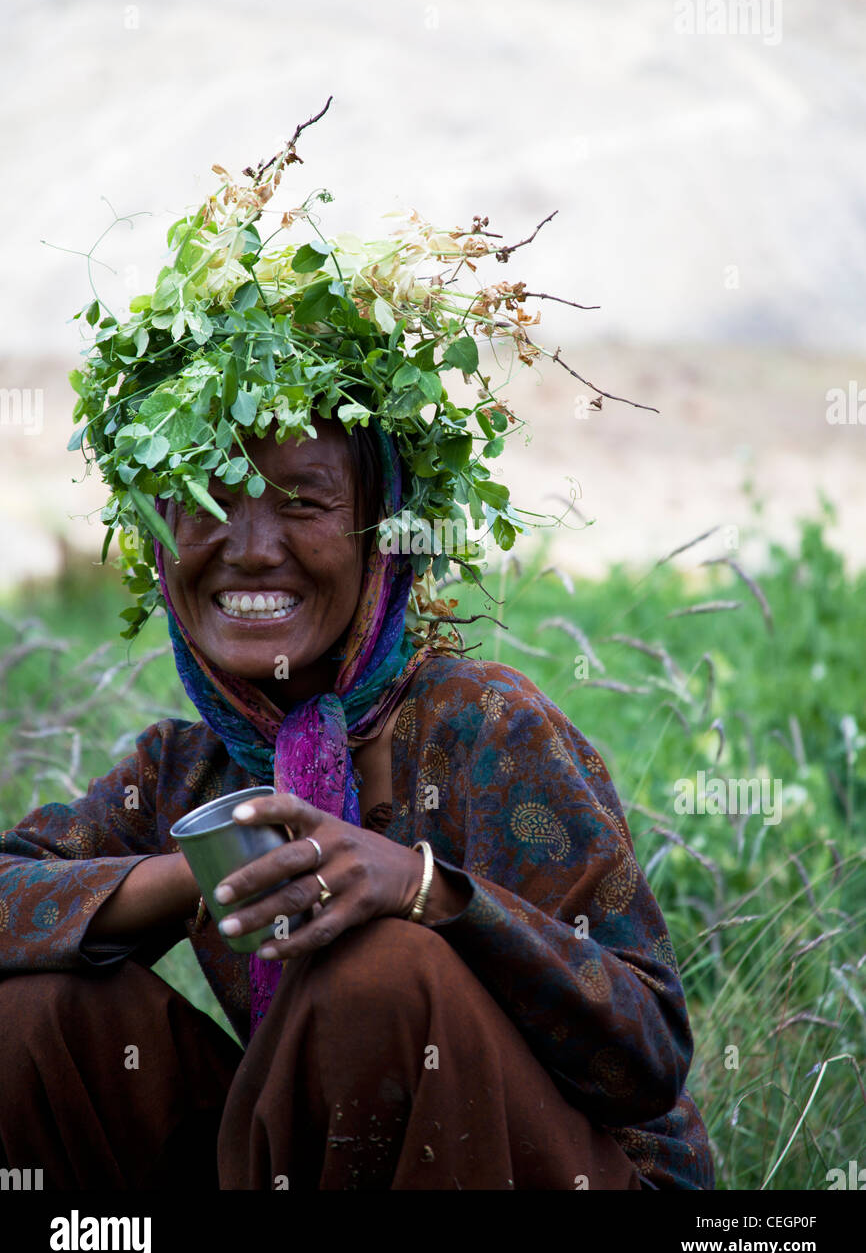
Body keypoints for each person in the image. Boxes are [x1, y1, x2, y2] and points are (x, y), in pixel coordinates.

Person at [0, 409, 714, 1191]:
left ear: (383, 539)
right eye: (204, 502)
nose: (250, 549)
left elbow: (648, 1059)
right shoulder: (186, 770)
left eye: (302, 503)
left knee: (383, 974)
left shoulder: (486, 726)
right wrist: (203, 877)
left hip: (556, 1169)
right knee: (34, 1018)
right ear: (161, 542)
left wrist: (421, 891)